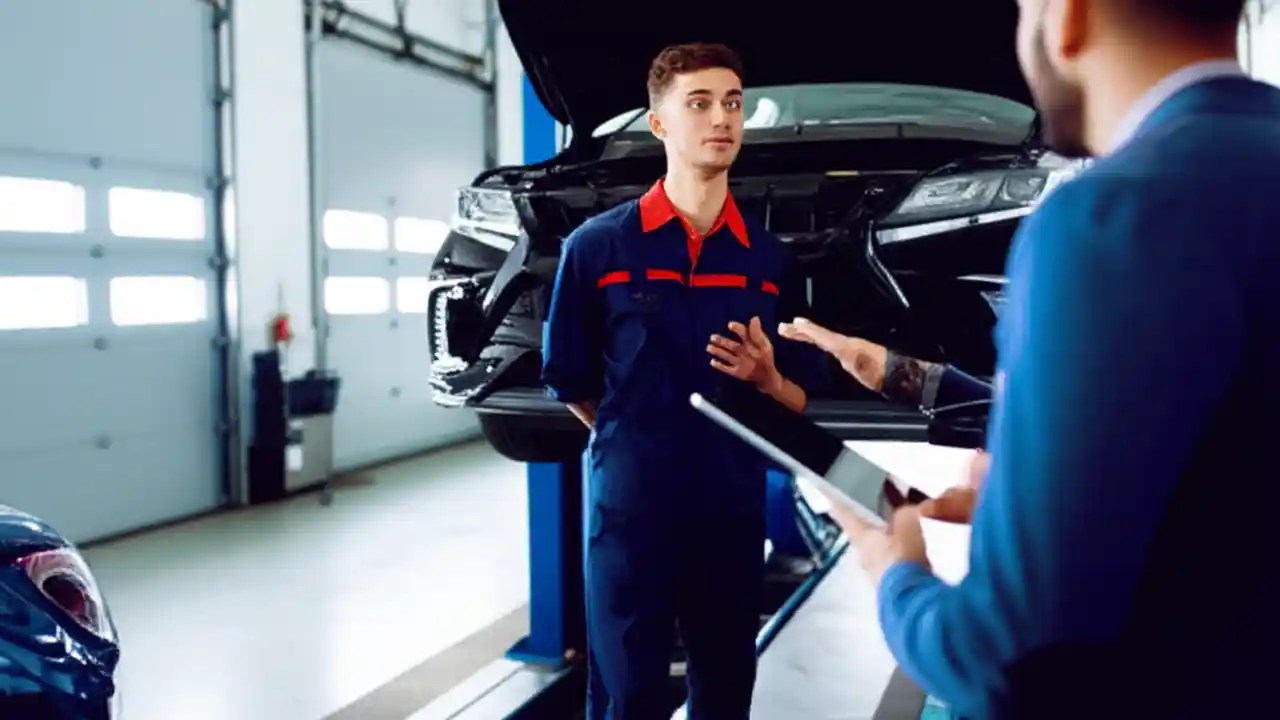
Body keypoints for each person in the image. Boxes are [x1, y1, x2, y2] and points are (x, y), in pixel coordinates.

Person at [799, 1, 1280, 718]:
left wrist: (894, 569)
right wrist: (910, 377)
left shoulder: (1113, 218)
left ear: (1069, 14)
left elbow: (1007, 660)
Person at [541, 43, 827, 719]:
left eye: (732, 103)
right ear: (659, 123)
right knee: (627, 695)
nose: (722, 118)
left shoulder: (768, 261)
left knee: (725, 692)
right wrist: (633, 442)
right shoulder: (598, 248)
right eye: (698, 103)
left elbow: (803, 397)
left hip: (730, 515)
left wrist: (768, 377)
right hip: (630, 514)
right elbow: (572, 378)